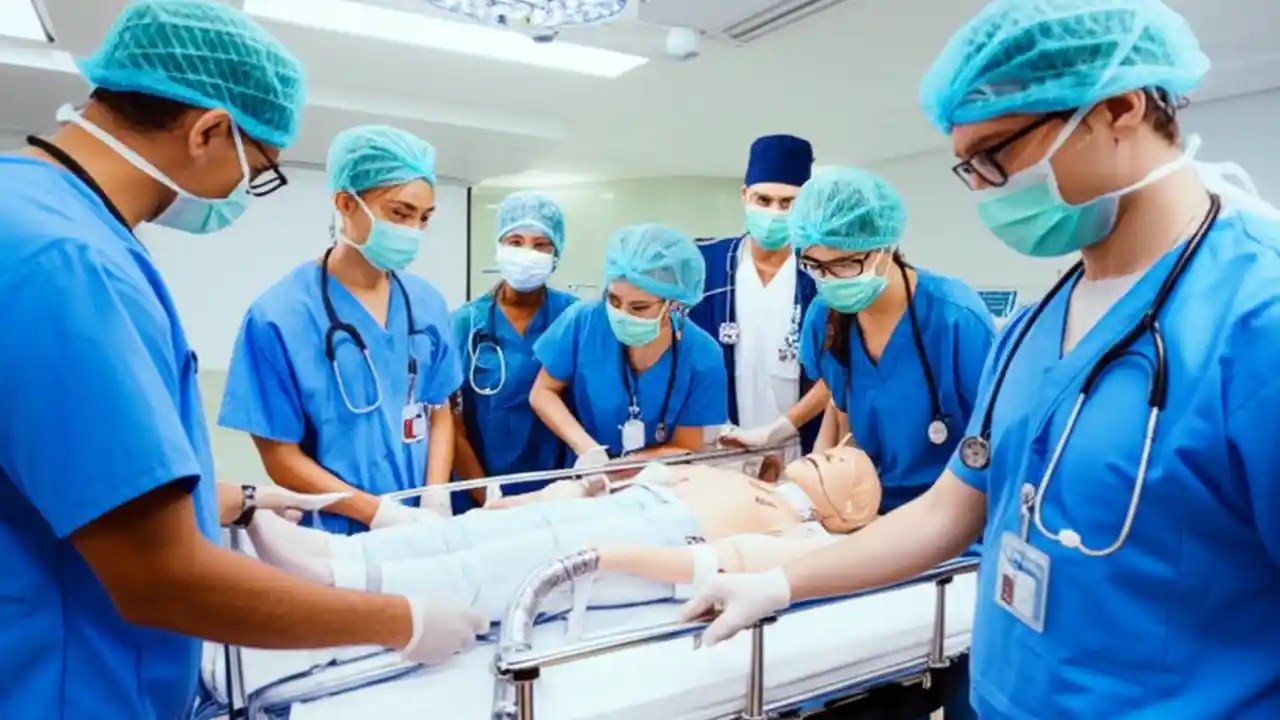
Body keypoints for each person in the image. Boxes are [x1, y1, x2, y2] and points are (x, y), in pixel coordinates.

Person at [681, 1, 1280, 718]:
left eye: (995, 156)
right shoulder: (1035, 326)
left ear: (1117, 108)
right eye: (969, 170)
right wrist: (784, 583)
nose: (986, 191)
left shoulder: (1257, 323)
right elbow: (946, 512)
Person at [0, 3, 482, 718]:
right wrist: (400, 621)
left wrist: (232, 498)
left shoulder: (33, 213)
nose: (241, 194)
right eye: (257, 172)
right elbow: (161, 577)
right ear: (209, 131)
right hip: (71, 686)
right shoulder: (70, 263)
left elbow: (63, 464)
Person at [244, 445, 881, 621]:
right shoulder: (749, 478)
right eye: (831, 452)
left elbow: (728, 560)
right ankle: (339, 549)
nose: (832, 454)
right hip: (631, 503)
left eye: (842, 467)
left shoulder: (805, 531)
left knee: (503, 562)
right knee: (469, 531)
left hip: (658, 537)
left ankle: (343, 580)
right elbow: (653, 473)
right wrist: (576, 488)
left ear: (850, 512)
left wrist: (620, 556)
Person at [220, 124, 462, 535]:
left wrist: (434, 499)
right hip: (334, 534)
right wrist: (378, 514)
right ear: (346, 203)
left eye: (424, 218)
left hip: (423, 529)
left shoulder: (426, 304)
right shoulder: (280, 316)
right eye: (400, 213)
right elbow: (280, 455)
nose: (413, 230)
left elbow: (438, 411)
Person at [530, 224, 729, 464]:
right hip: (585, 474)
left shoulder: (703, 355)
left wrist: (623, 467)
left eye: (639, 307)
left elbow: (685, 445)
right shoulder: (585, 321)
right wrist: (587, 449)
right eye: (613, 300)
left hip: (660, 479)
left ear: (674, 304)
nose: (622, 314)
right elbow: (543, 391)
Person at [689, 135, 827, 458]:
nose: (774, 213)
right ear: (744, 196)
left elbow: (838, 371)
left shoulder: (821, 277)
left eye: (788, 203)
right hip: (717, 454)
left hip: (800, 452)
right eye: (763, 200)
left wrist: (780, 429)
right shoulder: (706, 267)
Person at [450, 192, 577, 512]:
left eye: (540, 245)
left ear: (557, 252)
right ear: (499, 246)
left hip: (560, 492)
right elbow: (452, 425)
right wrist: (489, 498)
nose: (527, 254)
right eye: (515, 241)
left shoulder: (575, 317)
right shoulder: (465, 323)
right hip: (481, 491)